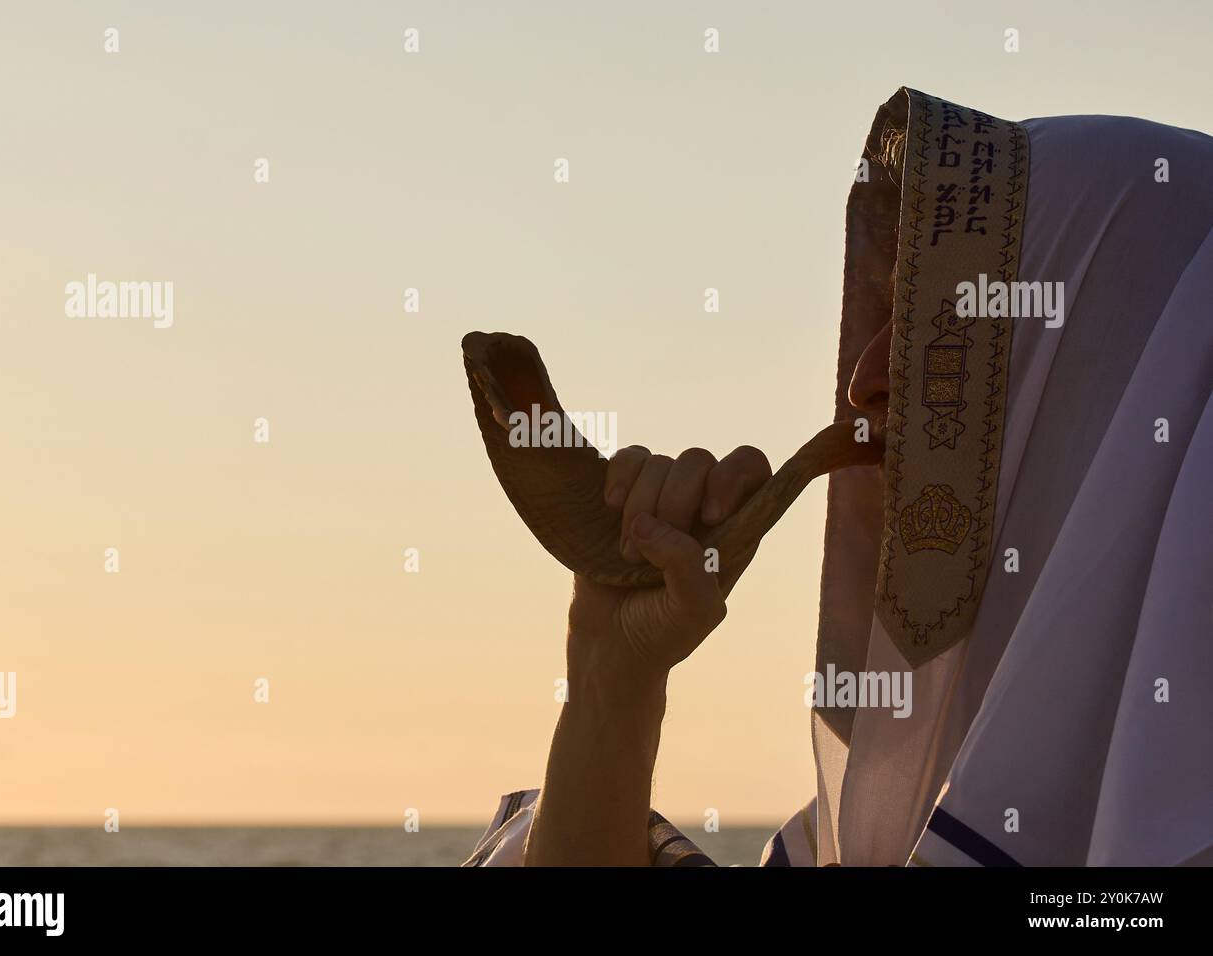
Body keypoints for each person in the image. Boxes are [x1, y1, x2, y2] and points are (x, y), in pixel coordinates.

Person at [465, 89, 1213, 867]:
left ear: (1122, 396)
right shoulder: (873, 839)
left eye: (951, 325)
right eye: (892, 307)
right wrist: (610, 676)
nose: (863, 378)